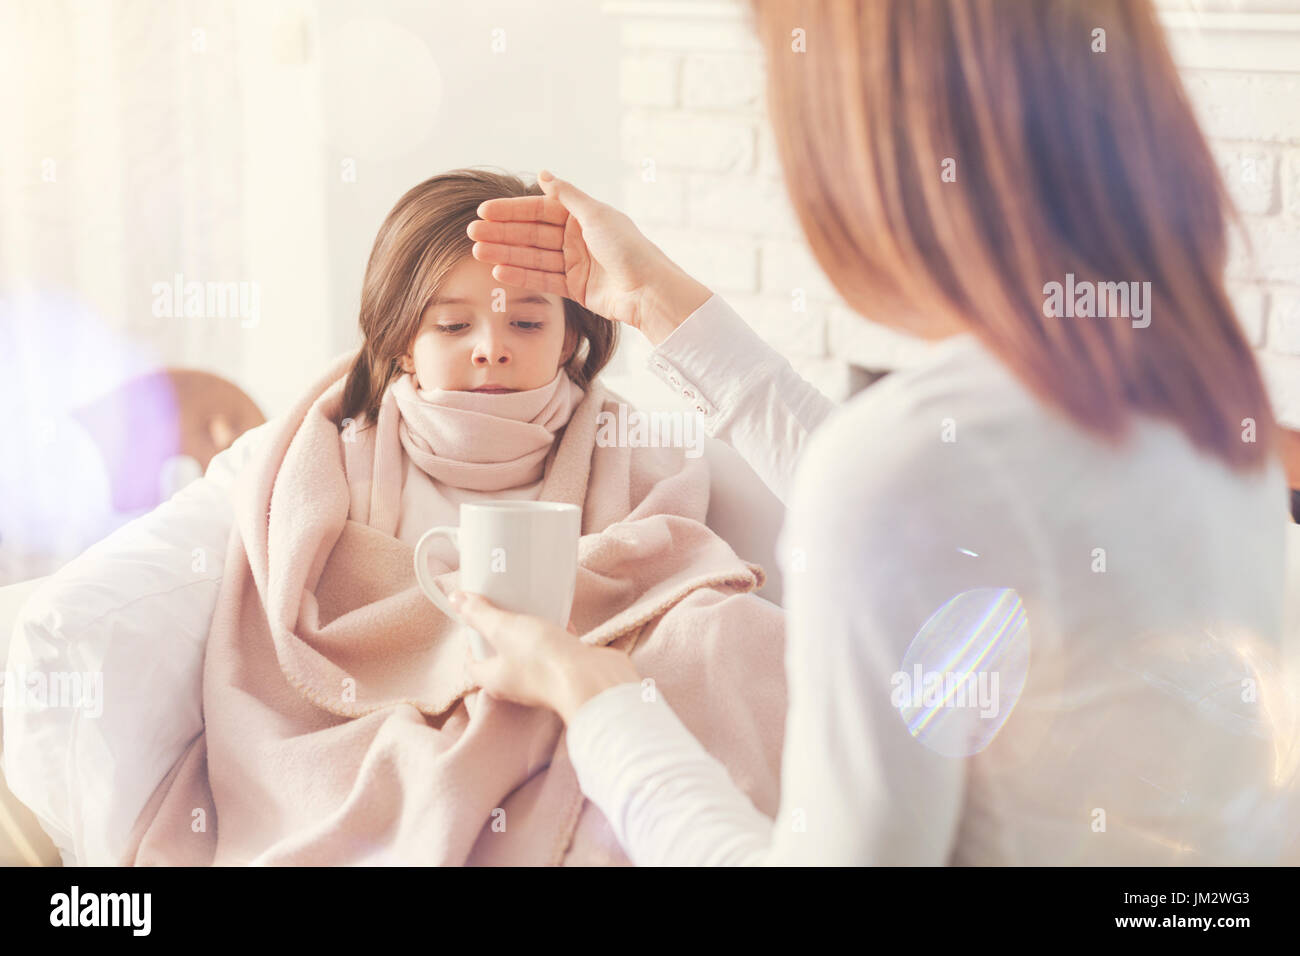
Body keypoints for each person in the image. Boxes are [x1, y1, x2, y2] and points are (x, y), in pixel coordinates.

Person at [447, 0, 1300, 865]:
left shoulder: (912, 470)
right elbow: (939, 522)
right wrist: (651, 297)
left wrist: (594, 694)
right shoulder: (1203, 405)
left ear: (866, 139)